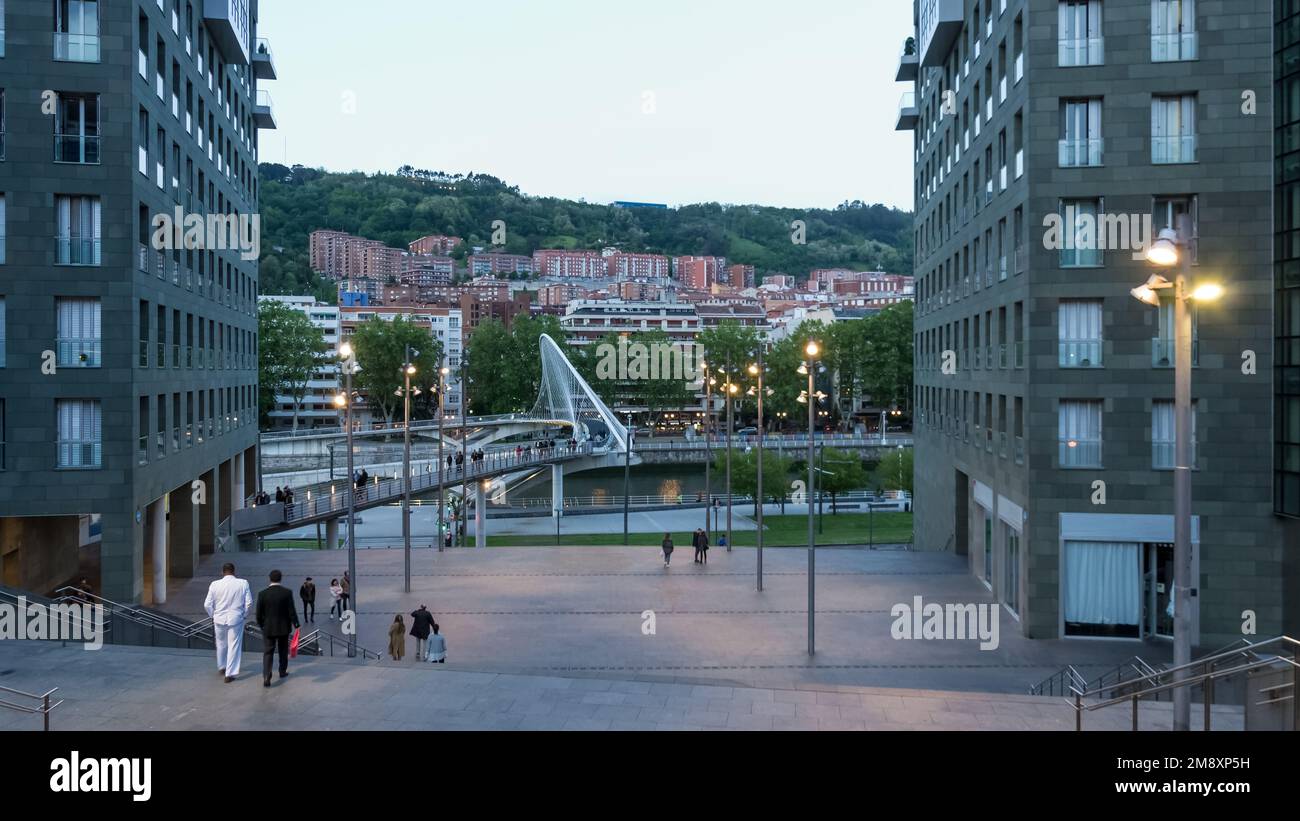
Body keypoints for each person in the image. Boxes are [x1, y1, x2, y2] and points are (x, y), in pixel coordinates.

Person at [204, 563, 253, 683]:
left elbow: (207, 604)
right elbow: (249, 603)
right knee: (234, 645)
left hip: (219, 618)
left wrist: (213, 615)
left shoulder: (214, 584)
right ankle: (229, 673)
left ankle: (222, 666)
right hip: (236, 618)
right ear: (234, 571)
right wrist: (244, 615)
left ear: (222, 572)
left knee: (221, 644)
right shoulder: (243, 583)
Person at [255, 569, 300, 687]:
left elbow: (258, 613)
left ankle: (266, 675)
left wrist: (261, 625)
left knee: (268, 651)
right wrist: (296, 624)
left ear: (269, 578)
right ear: (281, 578)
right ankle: (282, 671)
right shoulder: (287, 592)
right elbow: (291, 610)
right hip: (283, 627)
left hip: (268, 628)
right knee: (283, 650)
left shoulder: (262, 594)